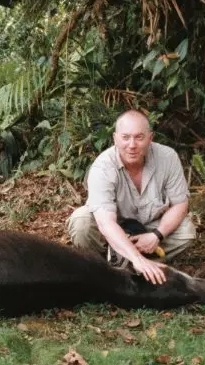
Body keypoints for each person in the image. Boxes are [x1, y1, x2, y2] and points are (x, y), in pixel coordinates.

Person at [66, 109, 196, 285]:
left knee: (186, 231)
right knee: (81, 221)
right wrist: (137, 257)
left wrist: (156, 235)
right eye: (125, 137)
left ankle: (130, 263)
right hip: (112, 231)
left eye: (139, 137)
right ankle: (111, 264)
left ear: (150, 138)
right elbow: (105, 223)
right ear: (115, 138)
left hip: (150, 228)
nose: (132, 145)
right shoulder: (102, 167)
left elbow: (180, 204)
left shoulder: (168, 157)